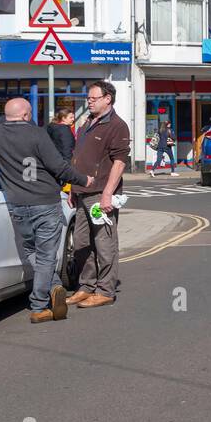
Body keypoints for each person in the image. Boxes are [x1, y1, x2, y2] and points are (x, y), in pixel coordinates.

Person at [0, 97, 92, 324]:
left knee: (31, 250)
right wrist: (85, 179)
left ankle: (53, 286)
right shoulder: (37, 134)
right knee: (46, 256)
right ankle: (39, 305)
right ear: (26, 115)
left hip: (17, 204)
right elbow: (58, 166)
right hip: (45, 201)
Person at [67, 80, 131, 309]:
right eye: (89, 98)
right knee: (81, 244)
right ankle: (86, 286)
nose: (89, 101)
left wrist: (107, 194)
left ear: (108, 99)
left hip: (100, 195)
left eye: (94, 98)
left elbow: (120, 162)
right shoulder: (87, 123)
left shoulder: (117, 126)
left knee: (104, 243)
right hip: (82, 192)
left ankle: (105, 290)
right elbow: (79, 158)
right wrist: (73, 189)